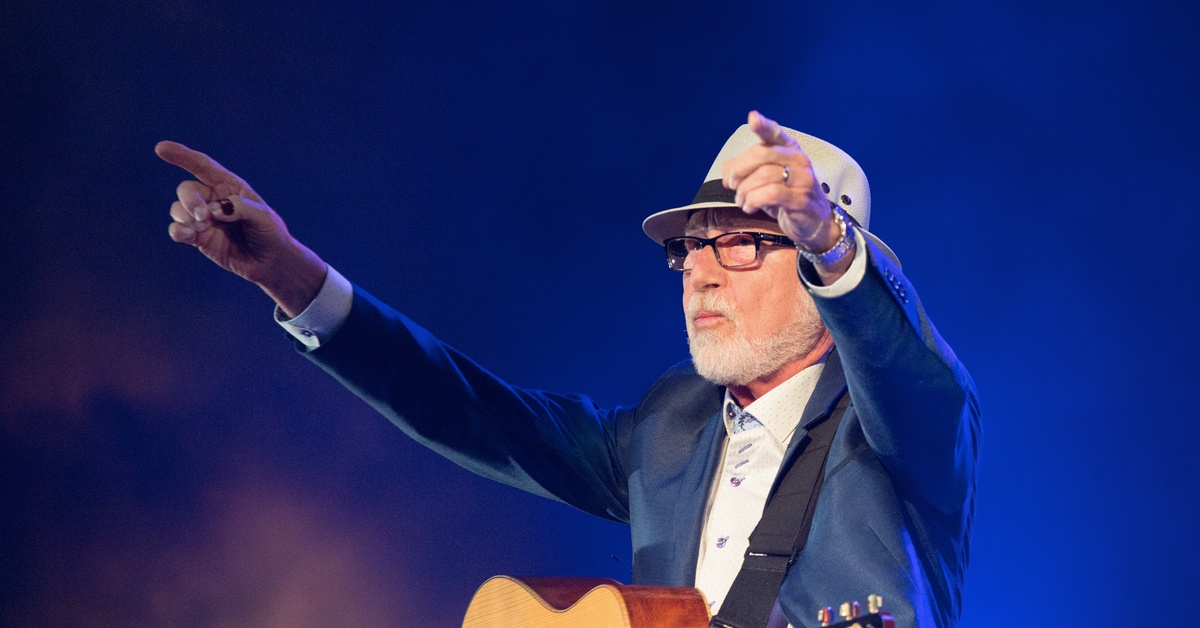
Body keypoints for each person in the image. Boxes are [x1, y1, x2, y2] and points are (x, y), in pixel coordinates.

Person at [158, 111, 979, 627]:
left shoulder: (904, 428)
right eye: (690, 246)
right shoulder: (671, 426)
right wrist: (289, 276)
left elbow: (903, 367)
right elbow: (477, 412)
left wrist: (831, 245)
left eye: (737, 240)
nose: (699, 270)